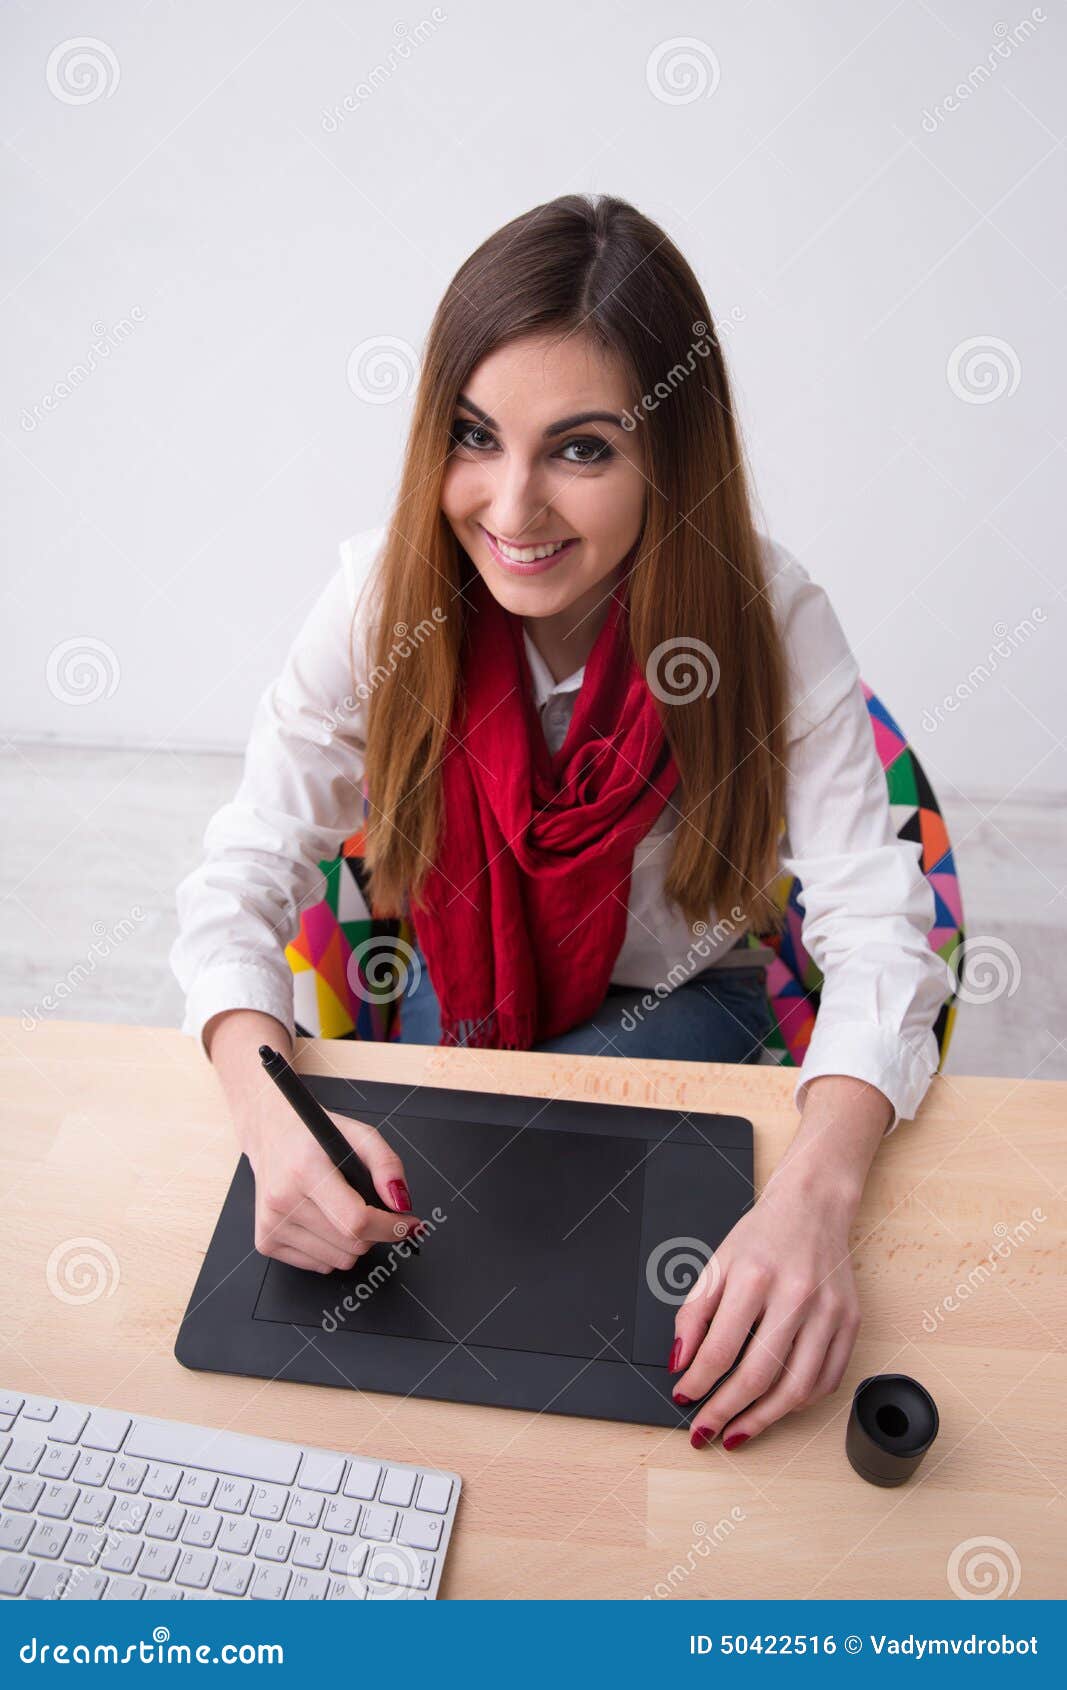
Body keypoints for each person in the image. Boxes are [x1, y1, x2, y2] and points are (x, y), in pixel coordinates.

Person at [170, 193, 950, 1452]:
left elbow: (879, 925)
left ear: (669, 460)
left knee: (650, 1365)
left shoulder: (768, 612)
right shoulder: (385, 600)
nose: (512, 508)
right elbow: (240, 875)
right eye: (476, 436)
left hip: (683, 996)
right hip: (464, 997)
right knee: (413, 1344)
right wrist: (268, 1117)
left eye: (580, 449)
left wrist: (819, 1190)